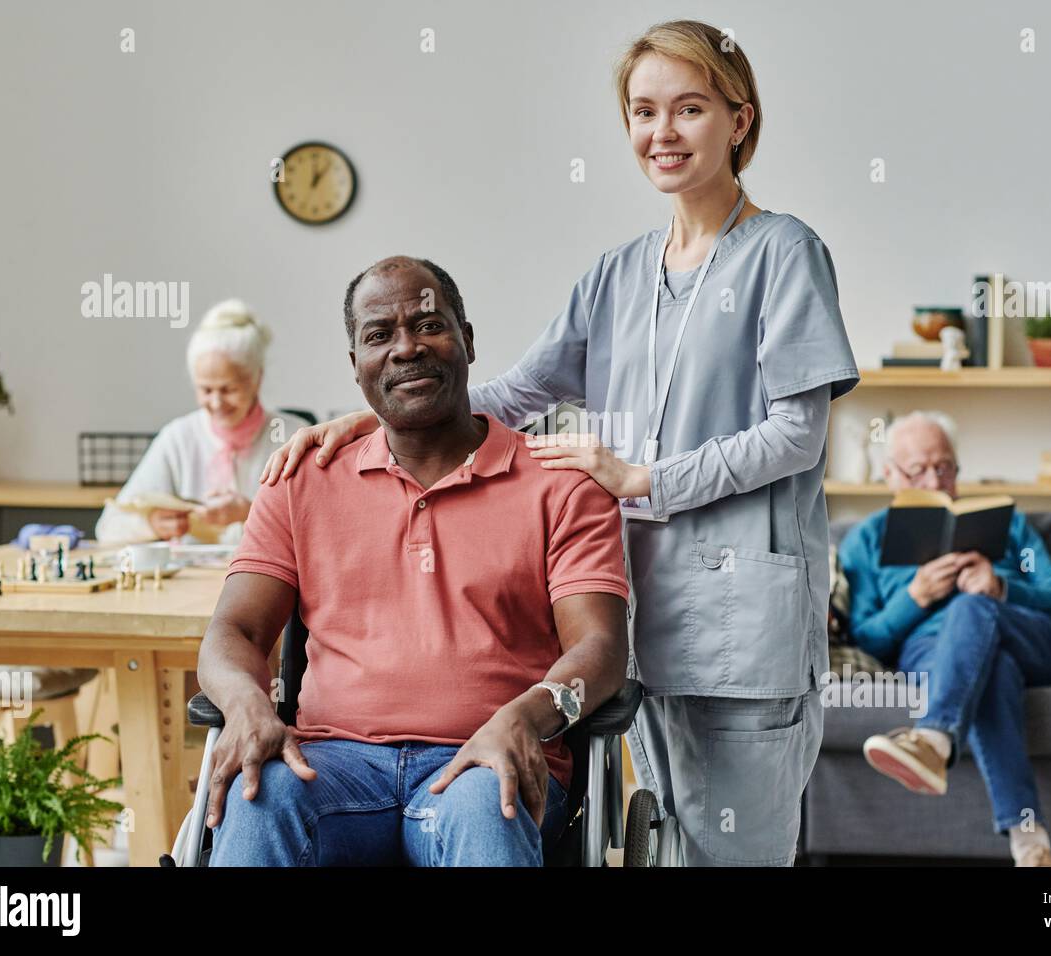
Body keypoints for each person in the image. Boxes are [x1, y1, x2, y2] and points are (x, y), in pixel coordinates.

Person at [259, 20, 859, 866]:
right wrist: (371, 420)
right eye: (644, 111)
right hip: (639, 617)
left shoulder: (785, 253)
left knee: (736, 855)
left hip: (741, 626)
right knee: (669, 847)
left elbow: (798, 434)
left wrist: (641, 478)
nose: (663, 132)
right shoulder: (615, 276)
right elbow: (506, 395)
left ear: (740, 121)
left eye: (689, 108)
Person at [201, 257, 629, 866]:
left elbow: (602, 648)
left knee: (492, 804)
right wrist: (247, 705)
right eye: (379, 336)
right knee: (256, 794)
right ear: (357, 367)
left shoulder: (561, 485)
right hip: (332, 764)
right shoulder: (302, 482)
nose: (406, 349)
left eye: (428, 325)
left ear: (468, 341)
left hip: (485, 759)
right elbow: (233, 631)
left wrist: (526, 718)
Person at [837, 411, 1051, 867]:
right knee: (992, 671)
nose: (935, 480)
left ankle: (932, 738)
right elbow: (867, 640)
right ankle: (1029, 841)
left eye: (945, 467)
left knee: (973, 608)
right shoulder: (865, 541)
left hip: (1030, 637)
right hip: (936, 653)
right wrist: (914, 598)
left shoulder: (1010, 527)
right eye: (918, 470)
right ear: (889, 474)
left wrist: (1003, 587)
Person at [94, 300, 310, 545]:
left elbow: (319, 528)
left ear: (256, 379)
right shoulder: (178, 438)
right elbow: (108, 527)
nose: (216, 403)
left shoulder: (294, 436)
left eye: (228, 389)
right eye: (206, 389)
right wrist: (152, 524)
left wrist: (251, 512)